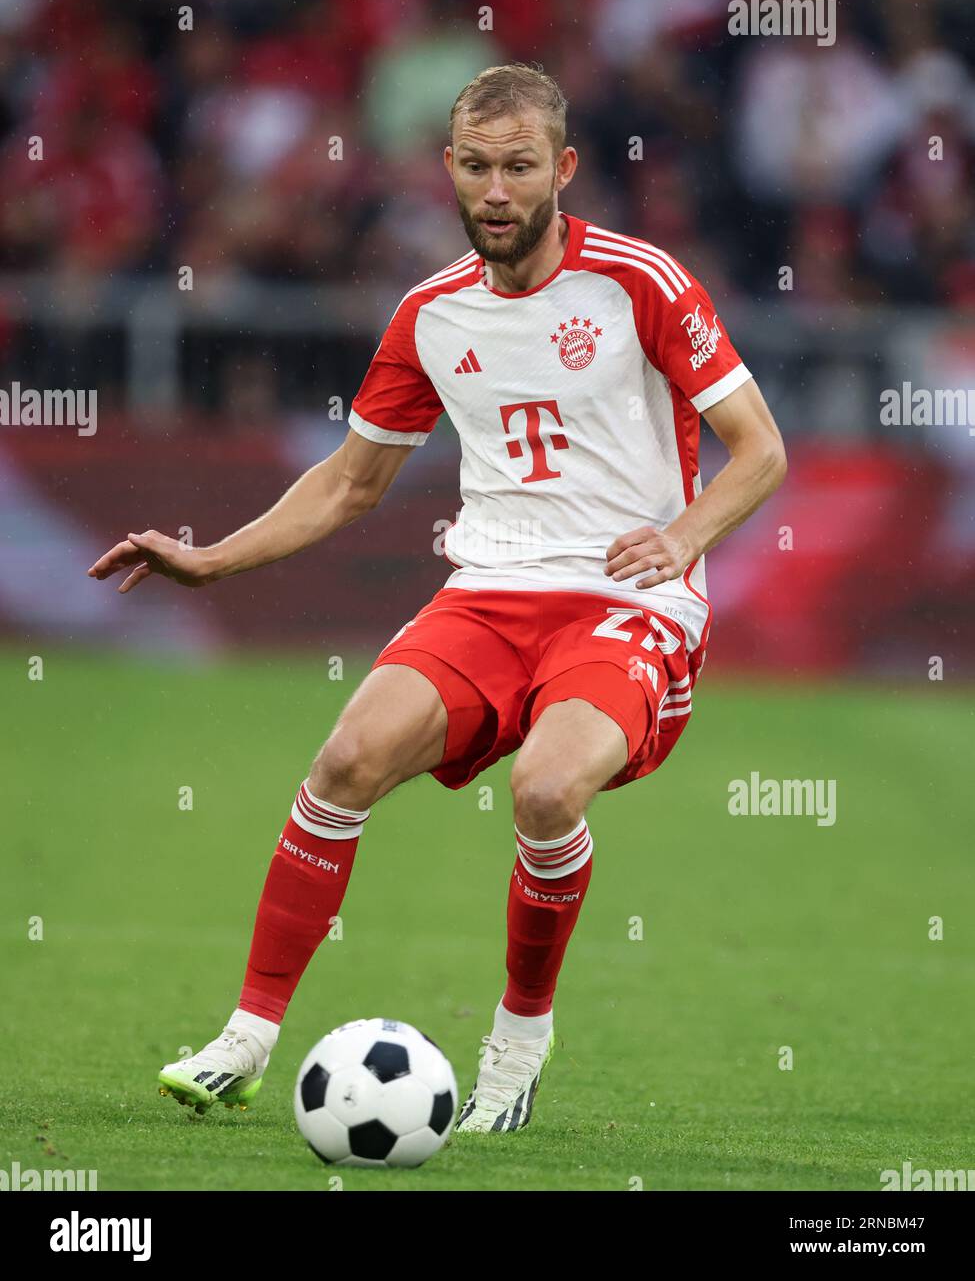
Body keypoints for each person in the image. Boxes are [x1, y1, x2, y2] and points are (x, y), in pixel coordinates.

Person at [89, 63, 787, 1135]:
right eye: (475, 166)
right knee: (343, 763)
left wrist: (682, 539)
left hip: (626, 601)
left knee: (549, 793)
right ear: (448, 169)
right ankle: (247, 1037)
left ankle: (516, 1044)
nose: (496, 190)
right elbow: (349, 482)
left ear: (562, 169)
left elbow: (761, 451)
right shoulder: (431, 313)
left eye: (518, 167)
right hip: (491, 591)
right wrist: (213, 557)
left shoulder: (640, 281)